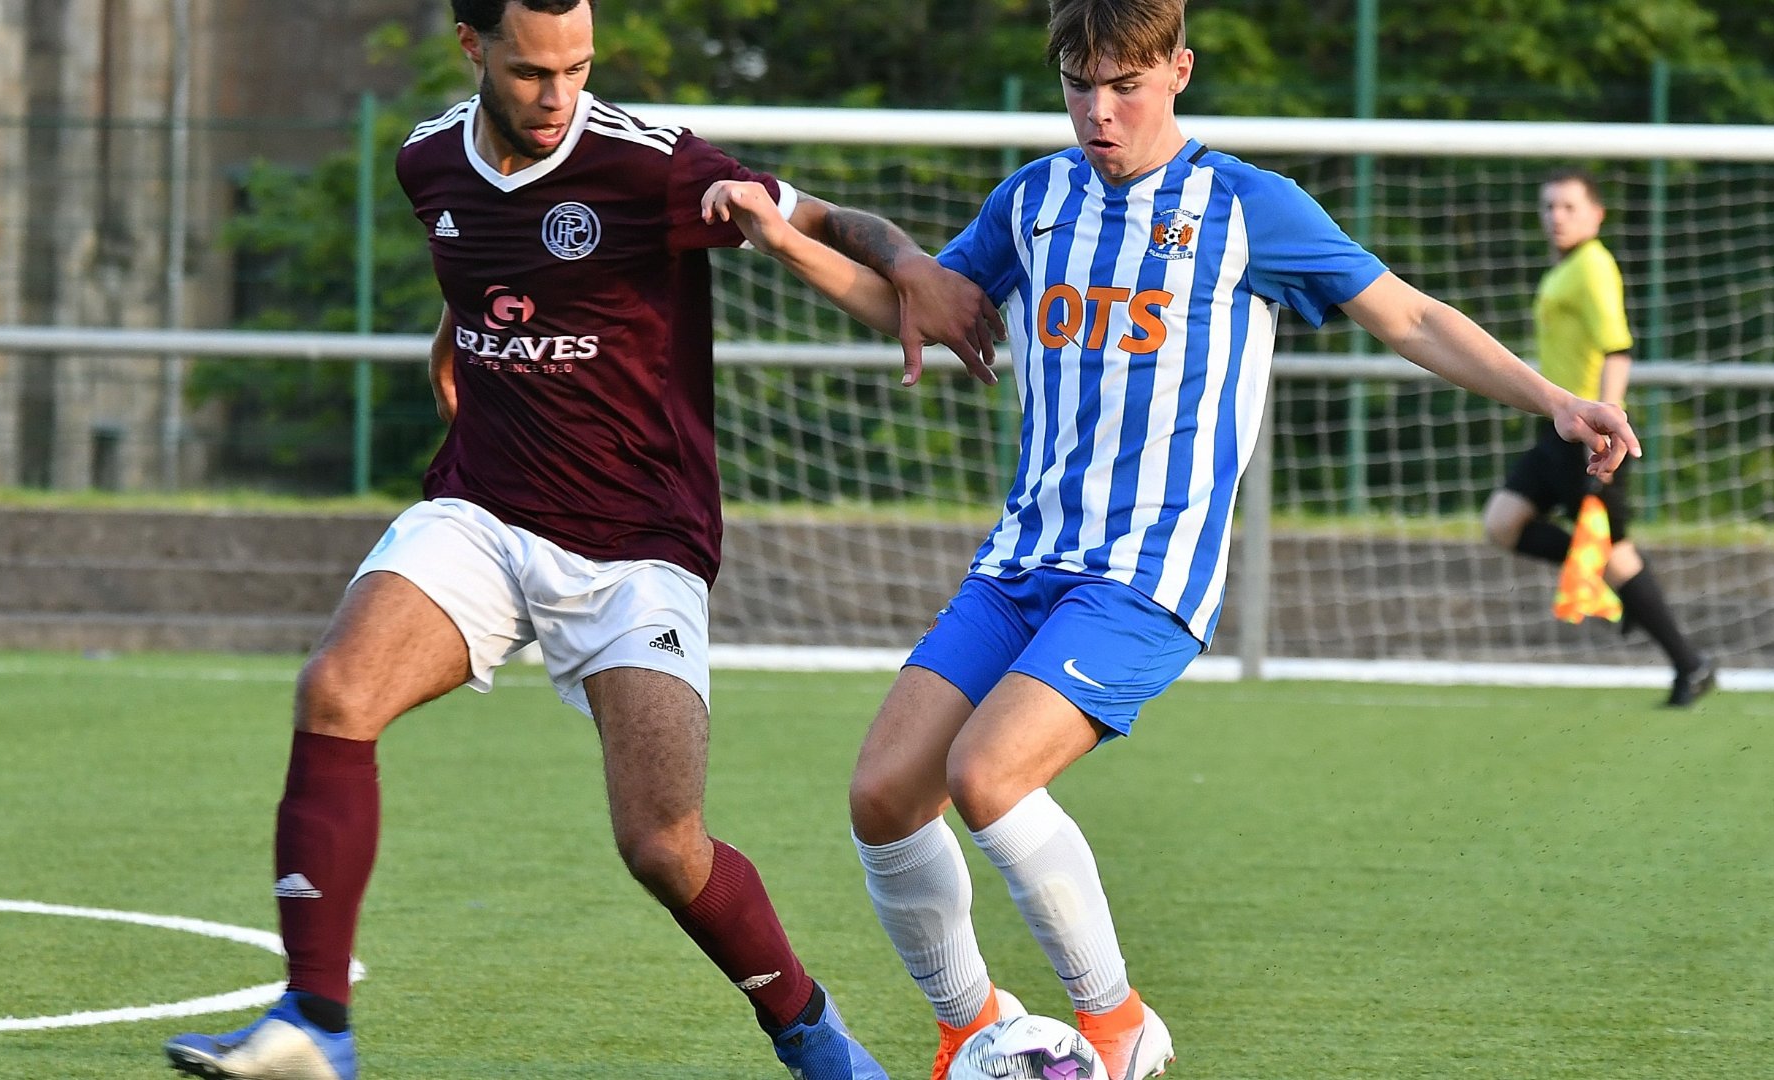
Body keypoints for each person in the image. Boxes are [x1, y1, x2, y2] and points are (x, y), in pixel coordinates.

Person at [700, 1, 1641, 1077]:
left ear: (1179, 71)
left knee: (989, 775)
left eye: (1125, 85)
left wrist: (1556, 401)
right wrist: (782, 241)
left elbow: (1411, 318)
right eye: (1079, 84)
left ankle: (1118, 1029)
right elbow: (913, 304)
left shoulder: (1248, 208)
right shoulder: (1035, 199)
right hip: (1023, 561)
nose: (1099, 112)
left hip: (1147, 576)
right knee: (882, 796)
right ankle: (977, 1031)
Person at [161, 2, 1001, 1078]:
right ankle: (314, 1022)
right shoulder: (428, 161)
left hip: (638, 544)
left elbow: (827, 217)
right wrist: (455, 335)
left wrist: (913, 262)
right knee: (335, 691)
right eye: (531, 73)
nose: (559, 97)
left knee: (661, 844)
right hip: (485, 508)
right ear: (473, 49)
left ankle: (812, 1036)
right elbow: (484, 273)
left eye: (579, 68)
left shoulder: (649, 166)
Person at [1481, 169, 1715, 707]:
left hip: (1590, 436)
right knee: (1503, 523)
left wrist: (1604, 428)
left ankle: (1689, 663)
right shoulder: (1567, 268)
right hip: (1558, 431)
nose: (1556, 217)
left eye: (1568, 206)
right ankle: (1648, 617)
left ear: (1596, 214)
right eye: (1548, 207)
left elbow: (1617, 349)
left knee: (1612, 552)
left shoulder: (1594, 267)